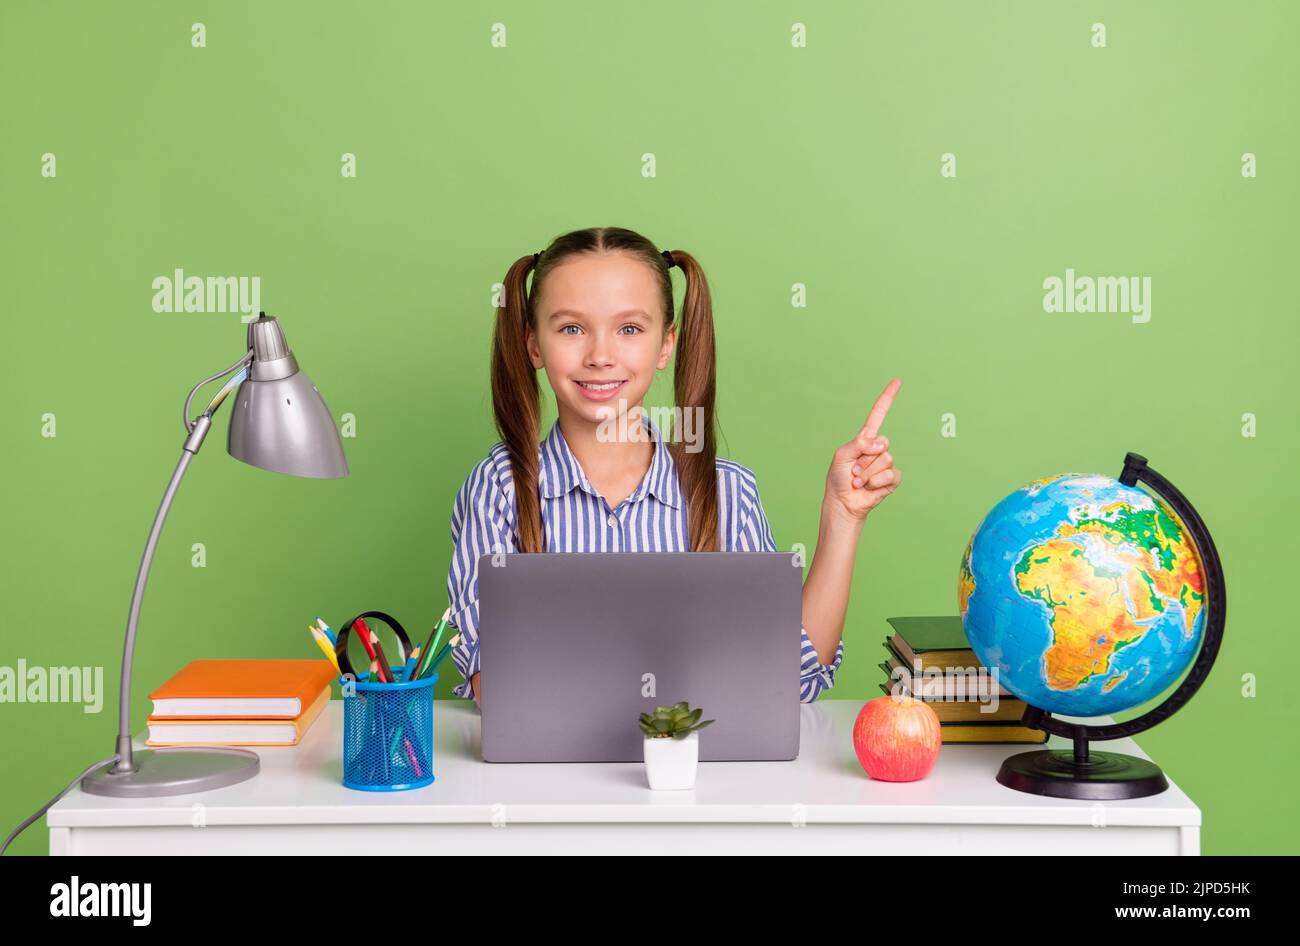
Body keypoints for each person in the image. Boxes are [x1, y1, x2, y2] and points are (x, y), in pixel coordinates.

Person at [446, 227, 902, 705]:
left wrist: (843, 516)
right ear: (534, 345)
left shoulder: (727, 492)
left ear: (666, 345)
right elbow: (493, 682)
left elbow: (790, 677)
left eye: (629, 329)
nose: (600, 356)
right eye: (571, 329)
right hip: (555, 758)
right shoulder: (499, 487)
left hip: (695, 757)